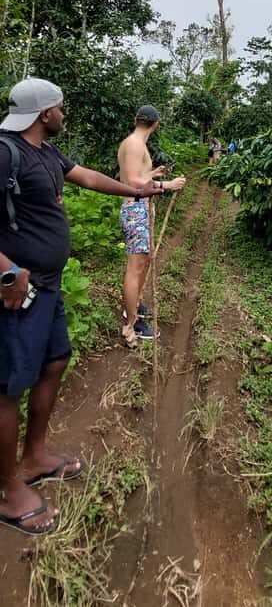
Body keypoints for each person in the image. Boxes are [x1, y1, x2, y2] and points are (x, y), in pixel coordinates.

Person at [0, 78, 162, 537]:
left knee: (54, 361)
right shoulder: (5, 153)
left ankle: (34, 457)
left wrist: (139, 191)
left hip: (48, 285)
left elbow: (87, 177)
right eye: (59, 107)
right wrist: (7, 272)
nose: (62, 113)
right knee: (9, 386)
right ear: (44, 114)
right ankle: (8, 490)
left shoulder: (45, 152)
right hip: (20, 290)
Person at [117, 105, 186, 348]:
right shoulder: (136, 144)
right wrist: (167, 185)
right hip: (135, 209)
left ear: (136, 119)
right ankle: (132, 321)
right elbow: (133, 181)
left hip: (140, 208)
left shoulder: (134, 143)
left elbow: (135, 175)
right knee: (135, 266)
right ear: (156, 124)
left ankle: (133, 306)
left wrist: (153, 173)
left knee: (143, 261)